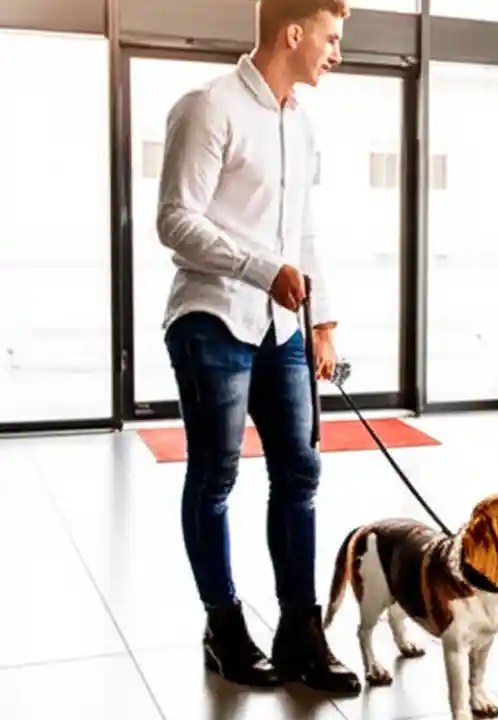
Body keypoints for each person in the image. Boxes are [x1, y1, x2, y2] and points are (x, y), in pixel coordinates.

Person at [155, 0, 359, 694]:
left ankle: (300, 629)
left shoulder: (300, 126)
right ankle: (224, 623)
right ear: (293, 33)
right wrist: (259, 270)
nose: (336, 51)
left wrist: (322, 322)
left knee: (299, 472)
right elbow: (175, 219)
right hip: (211, 317)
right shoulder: (208, 107)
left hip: (282, 327)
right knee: (215, 477)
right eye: (331, 38)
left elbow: (302, 231)